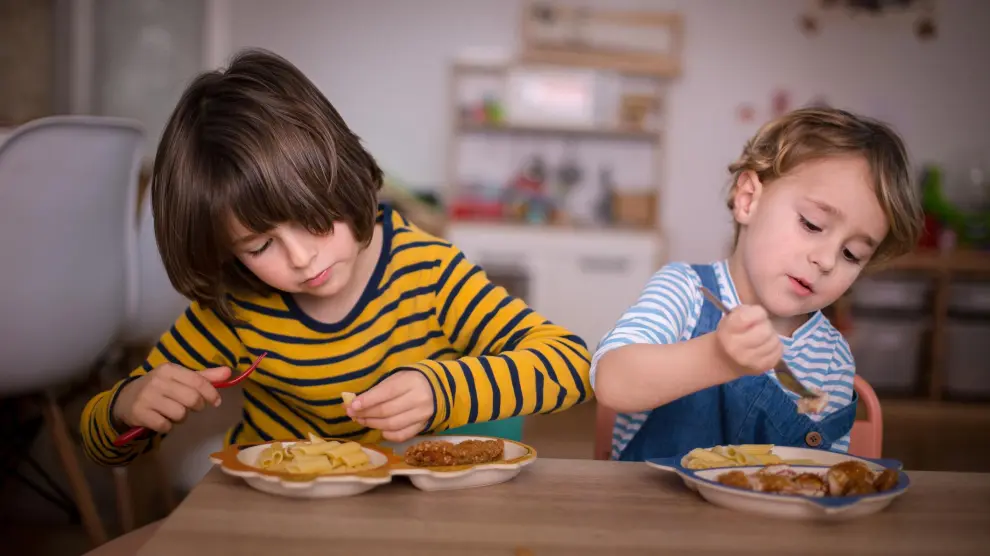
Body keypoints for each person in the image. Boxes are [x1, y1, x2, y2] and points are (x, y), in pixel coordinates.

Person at [80, 49, 591, 466]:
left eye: (312, 217)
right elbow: (104, 447)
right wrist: (126, 407)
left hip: (403, 511)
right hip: (279, 512)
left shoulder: (427, 272)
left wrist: (441, 390)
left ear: (342, 176)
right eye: (260, 246)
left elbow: (571, 364)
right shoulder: (234, 309)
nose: (302, 258)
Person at [591, 107, 923, 461]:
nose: (827, 260)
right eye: (812, 224)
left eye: (851, 254)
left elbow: (823, 474)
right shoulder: (686, 291)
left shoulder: (831, 360)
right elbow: (613, 382)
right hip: (648, 498)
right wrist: (719, 357)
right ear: (748, 199)